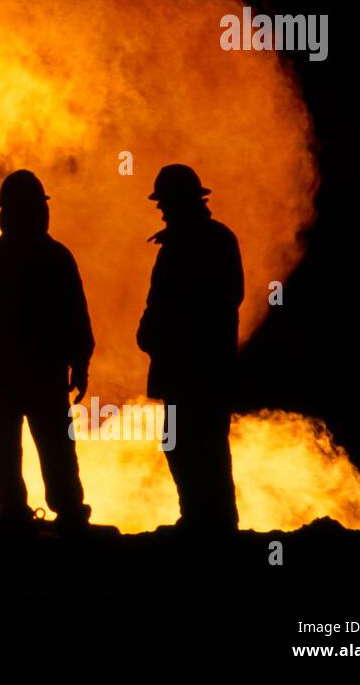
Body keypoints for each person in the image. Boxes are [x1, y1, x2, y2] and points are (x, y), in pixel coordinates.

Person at [0, 169, 94, 534]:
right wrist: (79, 364)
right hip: (40, 376)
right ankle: (68, 517)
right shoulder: (56, 259)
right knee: (54, 448)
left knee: (5, 451)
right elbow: (75, 317)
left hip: (0, 380)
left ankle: (14, 516)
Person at [136, 164, 243, 532]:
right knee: (182, 445)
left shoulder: (208, 242)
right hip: (190, 368)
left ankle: (215, 524)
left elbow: (223, 299)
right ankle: (200, 519)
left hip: (200, 369)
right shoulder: (187, 243)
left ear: (183, 201)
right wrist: (151, 331)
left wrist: (164, 332)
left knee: (205, 447)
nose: (161, 209)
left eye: (165, 202)